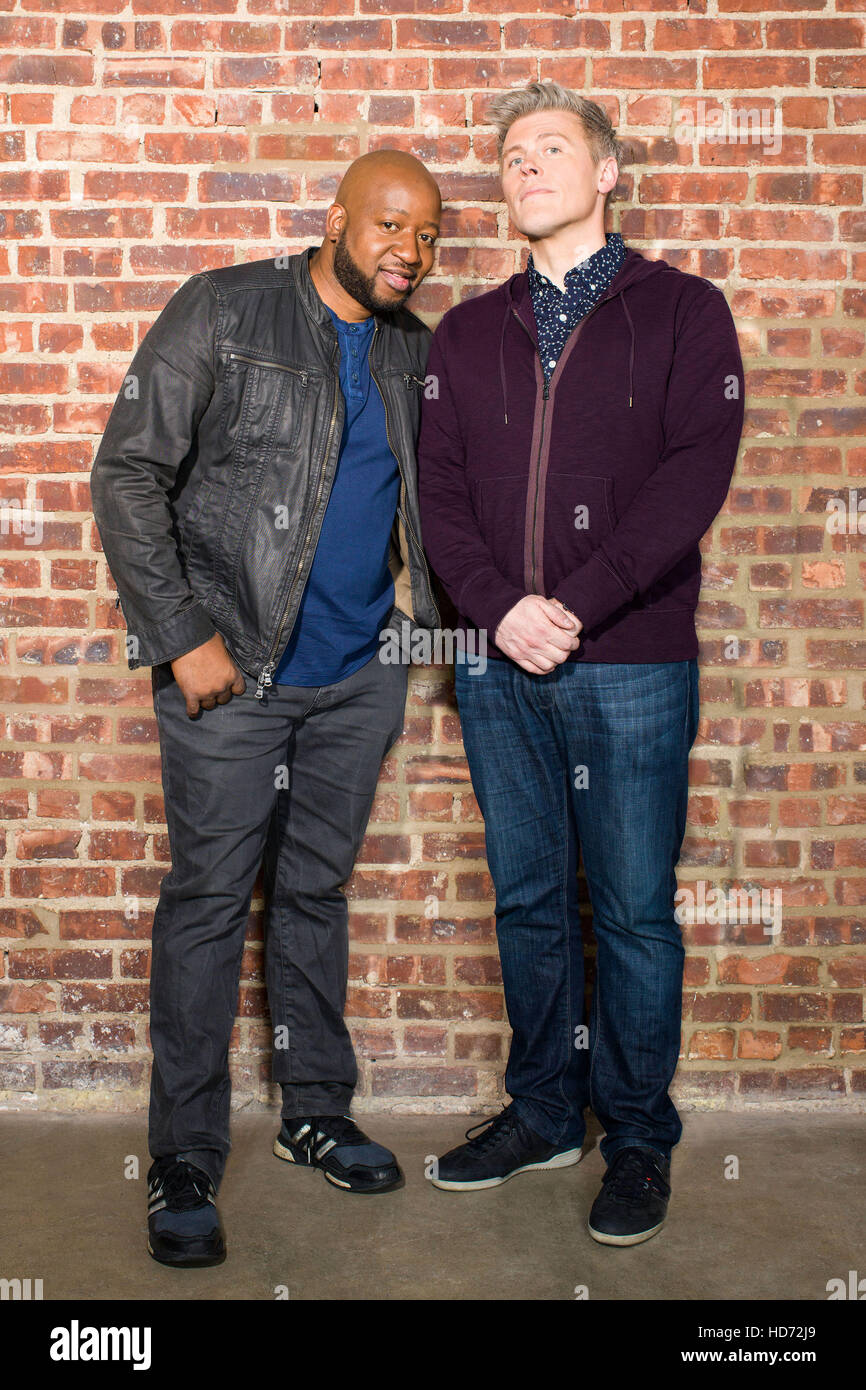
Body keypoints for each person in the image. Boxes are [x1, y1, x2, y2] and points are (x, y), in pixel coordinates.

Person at [90, 150, 442, 1267]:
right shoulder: (225, 306)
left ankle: (312, 1111)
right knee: (205, 902)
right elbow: (127, 471)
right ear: (336, 218)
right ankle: (184, 1155)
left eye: (427, 236)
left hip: (353, 681)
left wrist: (413, 636)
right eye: (390, 225)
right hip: (231, 672)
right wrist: (182, 634)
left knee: (313, 893)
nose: (408, 251)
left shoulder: (411, 350)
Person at [417, 80, 745, 1246]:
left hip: (632, 663)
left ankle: (637, 1137)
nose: (526, 167)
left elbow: (689, 483)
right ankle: (545, 1110)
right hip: (498, 666)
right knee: (527, 900)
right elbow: (439, 498)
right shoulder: (464, 332)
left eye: (552, 148)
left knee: (636, 911)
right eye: (509, 154)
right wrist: (502, 612)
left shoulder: (682, 313)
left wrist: (576, 606)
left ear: (607, 173)